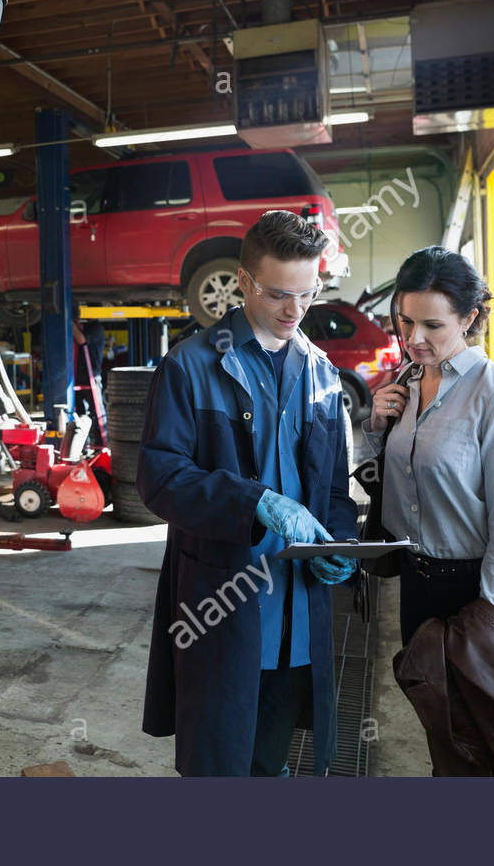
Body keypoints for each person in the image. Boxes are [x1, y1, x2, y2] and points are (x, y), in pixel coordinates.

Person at [138, 210, 360, 776]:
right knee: (216, 764)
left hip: (295, 610)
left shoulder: (322, 373)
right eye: (279, 294)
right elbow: (160, 478)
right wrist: (254, 501)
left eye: (308, 294)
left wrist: (338, 545)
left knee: (271, 763)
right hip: (223, 607)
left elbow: (335, 488)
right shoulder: (190, 366)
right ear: (243, 281)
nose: (295, 311)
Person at [363, 246, 494, 768]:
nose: (415, 339)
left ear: (470, 317)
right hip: (420, 587)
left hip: (480, 591)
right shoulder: (408, 384)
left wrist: (492, 631)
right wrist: (378, 428)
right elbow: (407, 482)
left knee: (479, 750)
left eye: (433, 326)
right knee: (443, 741)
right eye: (406, 321)